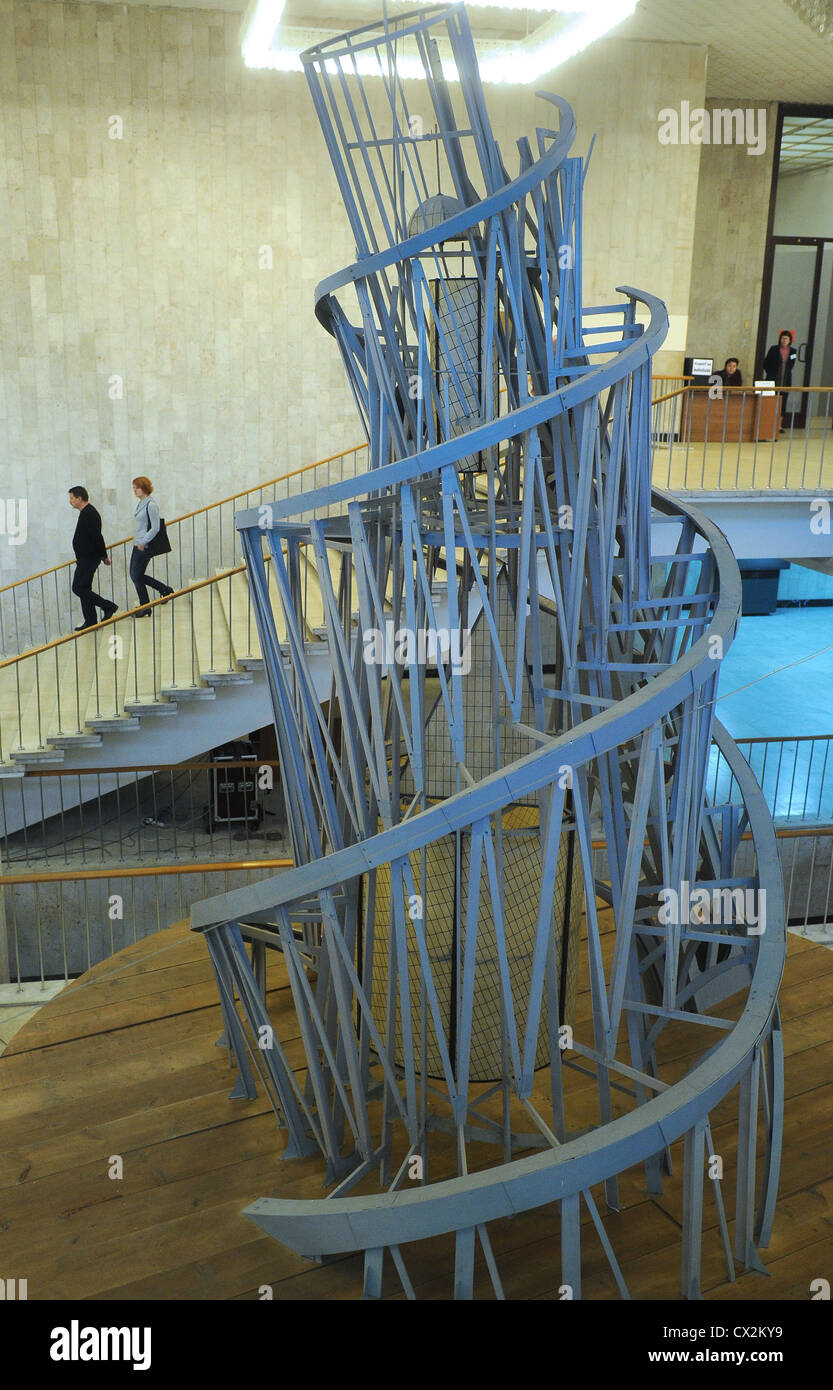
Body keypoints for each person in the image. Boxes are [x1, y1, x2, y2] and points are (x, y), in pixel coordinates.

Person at [68, 486, 118, 631]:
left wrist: (104, 556)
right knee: (84, 588)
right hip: (85, 558)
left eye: (72, 498)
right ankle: (90, 620)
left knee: (78, 587)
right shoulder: (86, 513)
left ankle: (108, 606)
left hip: (89, 558)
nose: (70, 501)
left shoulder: (90, 513)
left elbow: (97, 537)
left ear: (79, 498)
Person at [129, 476, 174, 615]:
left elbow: (155, 528)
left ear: (144, 488)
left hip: (144, 545)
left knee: (136, 576)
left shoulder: (151, 505)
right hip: (138, 543)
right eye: (133, 488)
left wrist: (143, 542)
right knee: (136, 575)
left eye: (137, 487)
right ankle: (164, 590)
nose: (134, 490)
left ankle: (145, 606)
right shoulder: (141, 503)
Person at [763, 329, 797, 433]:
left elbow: (791, 365)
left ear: (790, 340)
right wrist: (771, 372)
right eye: (782, 338)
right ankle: (768, 424)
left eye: (786, 338)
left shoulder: (793, 351)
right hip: (773, 378)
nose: (784, 340)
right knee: (771, 401)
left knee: (783, 403)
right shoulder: (773, 349)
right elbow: (765, 363)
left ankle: (779, 425)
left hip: (785, 380)